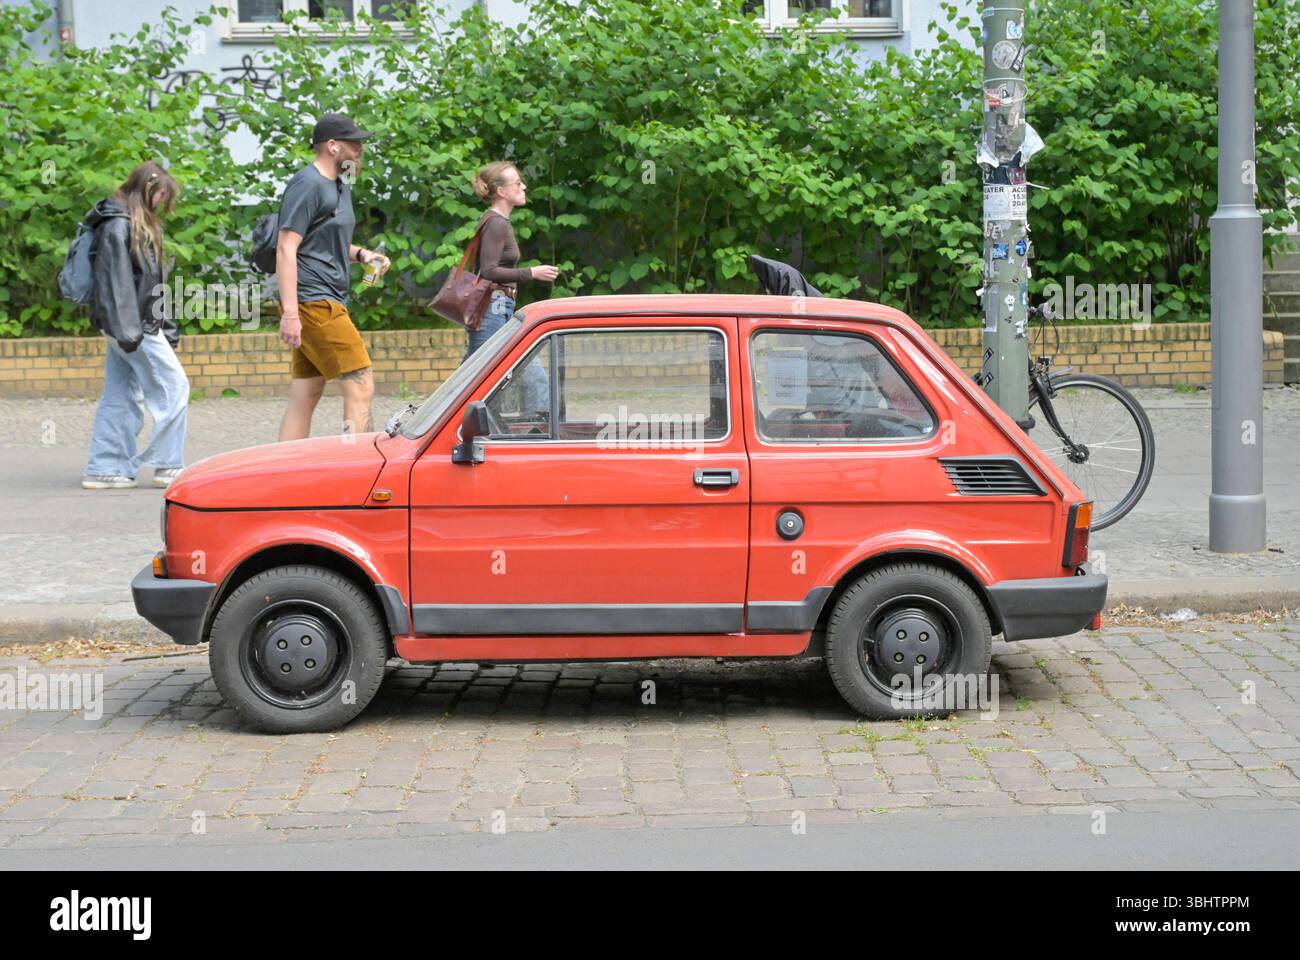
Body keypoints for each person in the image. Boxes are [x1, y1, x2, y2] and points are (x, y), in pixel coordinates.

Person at [276, 113, 390, 441]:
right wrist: (290, 313)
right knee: (360, 385)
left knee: (306, 392)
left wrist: (362, 255)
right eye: (353, 143)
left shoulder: (339, 186)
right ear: (331, 146)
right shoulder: (307, 184)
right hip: (315, 302)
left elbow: (324, 238)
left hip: (324, 299)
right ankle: (356, 470)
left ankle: (283, 475)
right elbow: (286, 247)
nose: (360, 149)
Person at [82, 161, 188, 490]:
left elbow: (149, 283)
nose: (162, 202)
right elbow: (117, 284)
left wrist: (162, 326)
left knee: (121, 393)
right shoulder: (119, 226)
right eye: (159, 194)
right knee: (175, 387)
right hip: (132, 325)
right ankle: (167, 465)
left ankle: (106, 467)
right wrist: (132, 333)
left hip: (127, 325)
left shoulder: (127, 223)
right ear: (145, 189)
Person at [465, 161, 560, 415]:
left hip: (499, 307)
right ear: (501, 191)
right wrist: (532, 273)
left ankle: (532, 427)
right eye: (517, 183)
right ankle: (536, 428)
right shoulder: (495, 223)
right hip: (492, 309)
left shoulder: (497, 221)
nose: (524, 186)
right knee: (476, 381)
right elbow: (488, 271)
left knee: (473, 379)